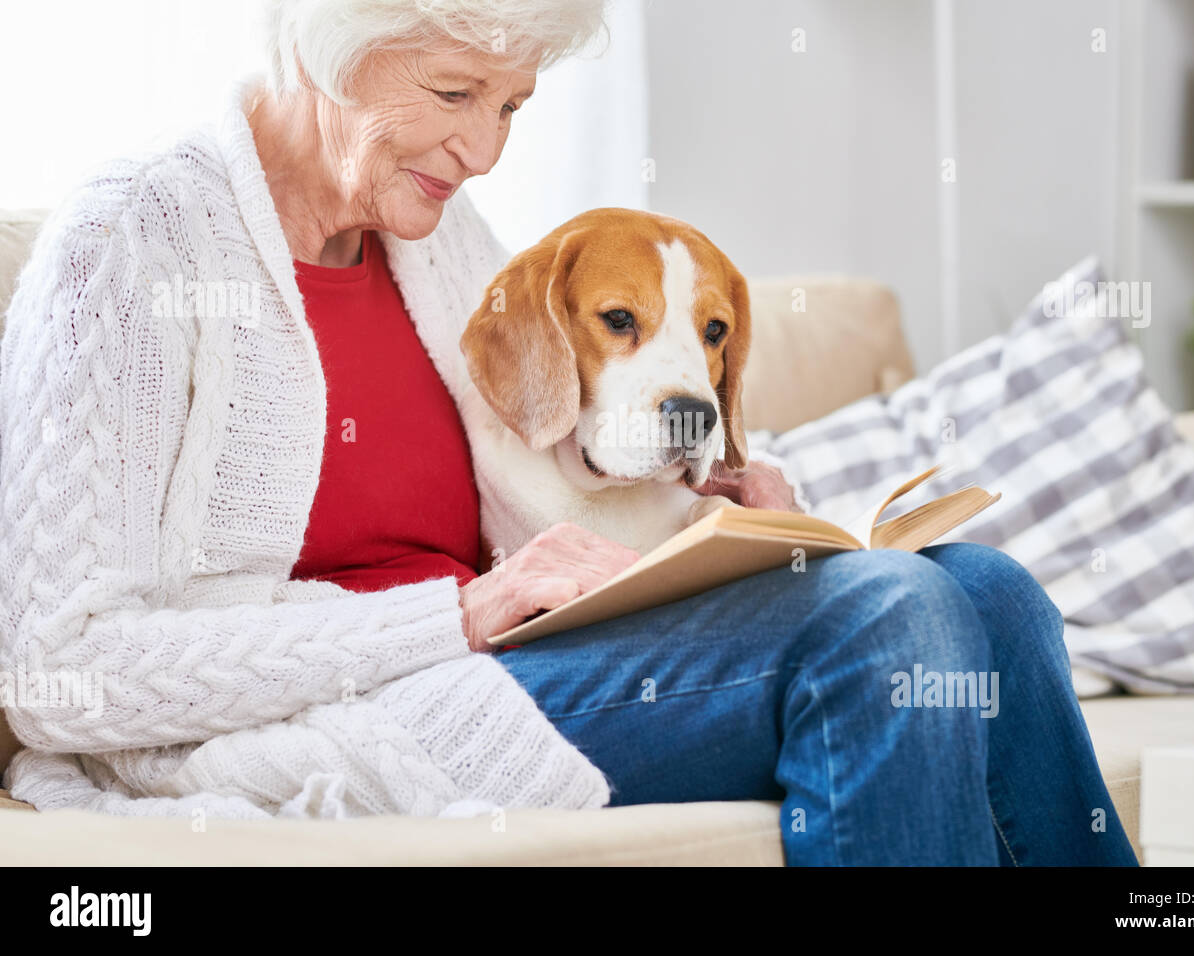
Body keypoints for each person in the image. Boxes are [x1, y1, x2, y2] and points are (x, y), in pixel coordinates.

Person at [0, 0, 1135, 865]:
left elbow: (556, 467)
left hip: (497, 661)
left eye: (510, 108)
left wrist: (715, 508)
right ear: (326, 46)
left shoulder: (436, 237)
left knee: (987, 589)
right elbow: (55, 672)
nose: (483, 150)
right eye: (454, 93)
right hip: (324, 714)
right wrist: (449, 617)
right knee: (887, 617)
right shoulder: (132, 240)